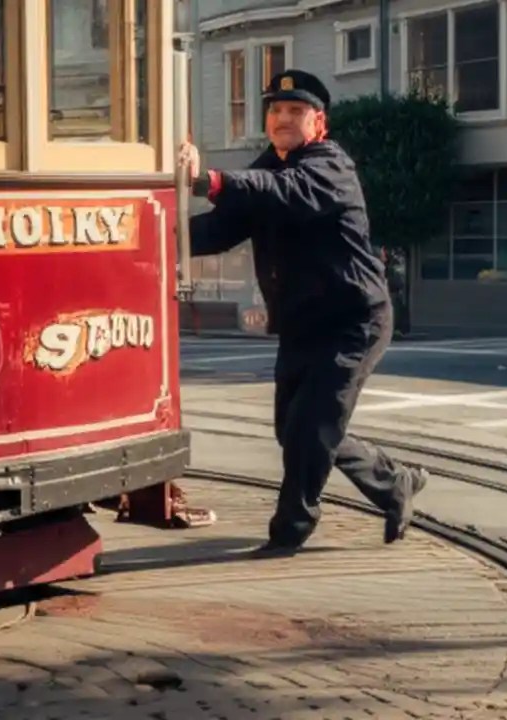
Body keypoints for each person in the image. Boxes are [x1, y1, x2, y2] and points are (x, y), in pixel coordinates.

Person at [178, 69, 428, 550]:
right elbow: (224, 226)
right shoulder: (269, 165)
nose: (282, 118)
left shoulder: (329, 165)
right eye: (275, 110)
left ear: (320, 123)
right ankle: (394, 482)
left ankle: (289, 531)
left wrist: (208, 179)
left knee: (311, 429)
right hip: (302, 323)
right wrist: (157, 234)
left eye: (295, 111)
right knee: (295, 430)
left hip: (352, 320)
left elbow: (283, 194)